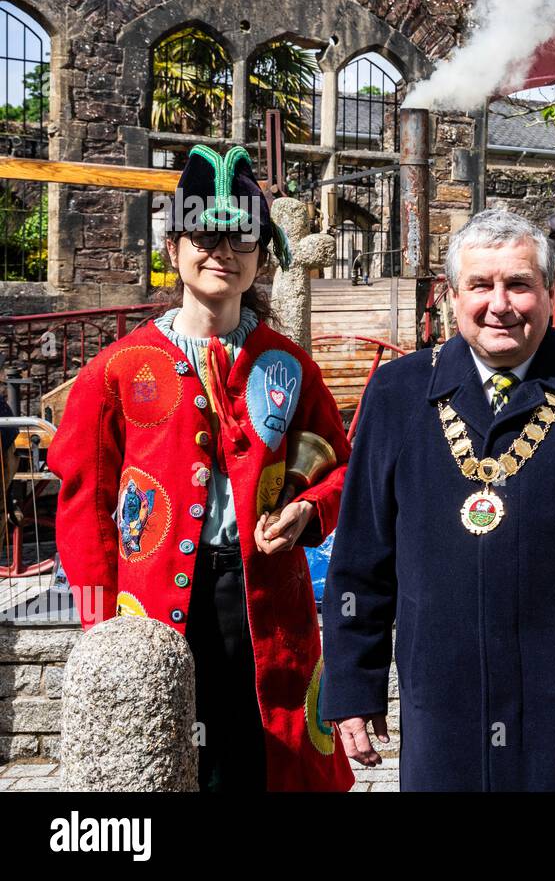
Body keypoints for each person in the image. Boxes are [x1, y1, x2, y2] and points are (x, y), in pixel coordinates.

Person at [321, 208, 555, 791]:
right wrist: (352, 685)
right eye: (480, 285)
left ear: (548, 291)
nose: (500, 304)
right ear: (451, 295)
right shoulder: (398, 392)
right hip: (439, 696)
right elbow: (361, 559)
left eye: (518, 284)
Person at [48, 144, 355, 792]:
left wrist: (306, 509)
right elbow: (84, 501)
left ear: (261, 254)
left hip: (267, 604)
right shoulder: (119, 368)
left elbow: (338, 466)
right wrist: (104, 628)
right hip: (151, 604)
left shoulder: (288, 366)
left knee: (263, 761)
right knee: (168, 761)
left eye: (240, 234)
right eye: (202, 233)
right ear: (173, 249)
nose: (221, 248)